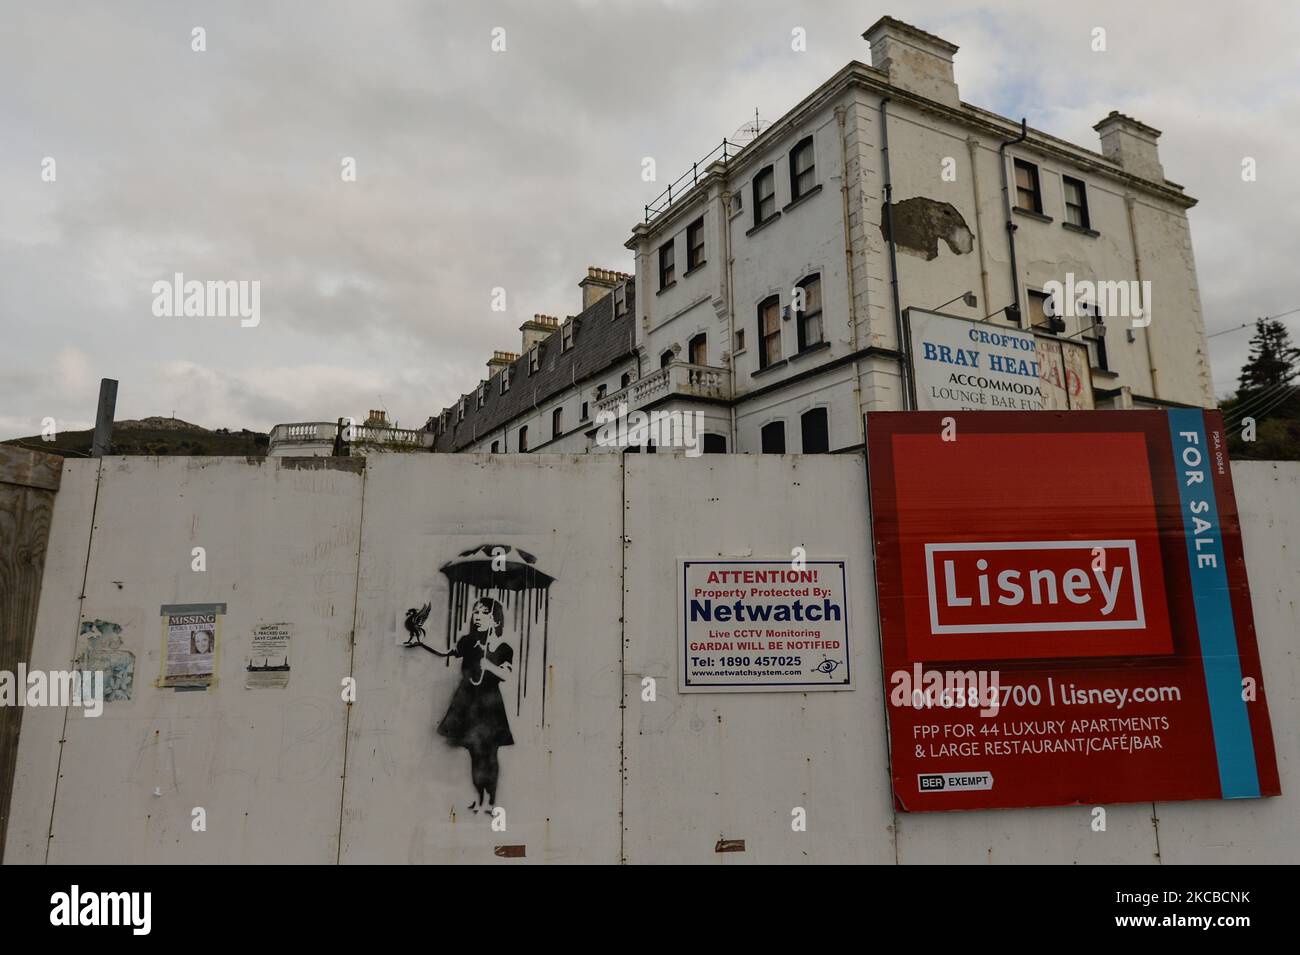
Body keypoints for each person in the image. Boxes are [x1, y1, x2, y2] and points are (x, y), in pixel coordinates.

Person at [406, 597, 514, 813]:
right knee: (475, 753)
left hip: (490, 708)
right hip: (470, 704)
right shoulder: (469, 641)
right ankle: (479, 797)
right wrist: (420, 640)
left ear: (494, 620)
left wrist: (489, 666)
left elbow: (507, 674)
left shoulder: (503, 647)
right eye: (475, 612)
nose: (477, 616)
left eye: (483, 613)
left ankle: (491, 800)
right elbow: (446, 652)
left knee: (489, 755)